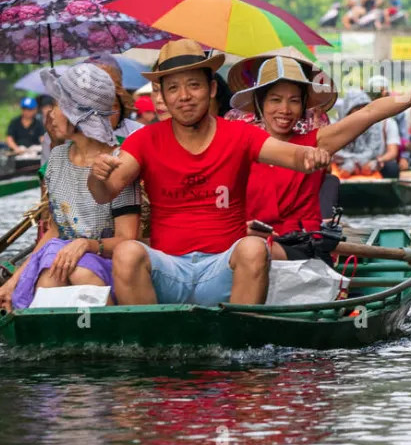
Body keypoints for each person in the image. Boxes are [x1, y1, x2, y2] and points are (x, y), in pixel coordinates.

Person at [86, 39, 333, 306]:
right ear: (162, 95)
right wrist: (96, 176)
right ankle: (152, 343)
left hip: (222, 270)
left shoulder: (239, 134)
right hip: (168, 271)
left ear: (212, 88)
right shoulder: (145, 140)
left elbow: (293, 155)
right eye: (173, 88)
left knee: (253, 247)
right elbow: (104, 193)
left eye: (194, 85)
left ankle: (240, 340)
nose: (184, 96)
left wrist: (311, 155)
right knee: (126, 252)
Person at [229, 51, 411, 245]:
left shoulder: (318, 141)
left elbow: (372, 112)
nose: (285, 110)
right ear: (260, 104)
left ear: (303, 106)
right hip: (249, 245)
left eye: (294, 100)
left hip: (301, 247)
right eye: (275, 100)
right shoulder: (239, 143)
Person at [0, 64, 141, 311]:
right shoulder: (57, 159)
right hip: (61, 260)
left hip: (106, 264)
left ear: (79, 117)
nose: (51, 113)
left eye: (59, 106)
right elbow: (54, 231)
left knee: (80, 271)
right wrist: (14, 282)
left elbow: (128, 239)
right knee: (52, 274)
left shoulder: (118, 163)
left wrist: (85, 245)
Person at [332, 89, 404, 179]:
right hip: (343, 164)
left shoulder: (377, 124)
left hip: (369, 163)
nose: (362, 111)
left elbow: (375, 149)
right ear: (348, 110)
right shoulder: (337, 126)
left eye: (365, 107)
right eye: (358, 108)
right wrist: (351, 163)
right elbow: (336, 151)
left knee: (391, 168)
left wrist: (363, 163)